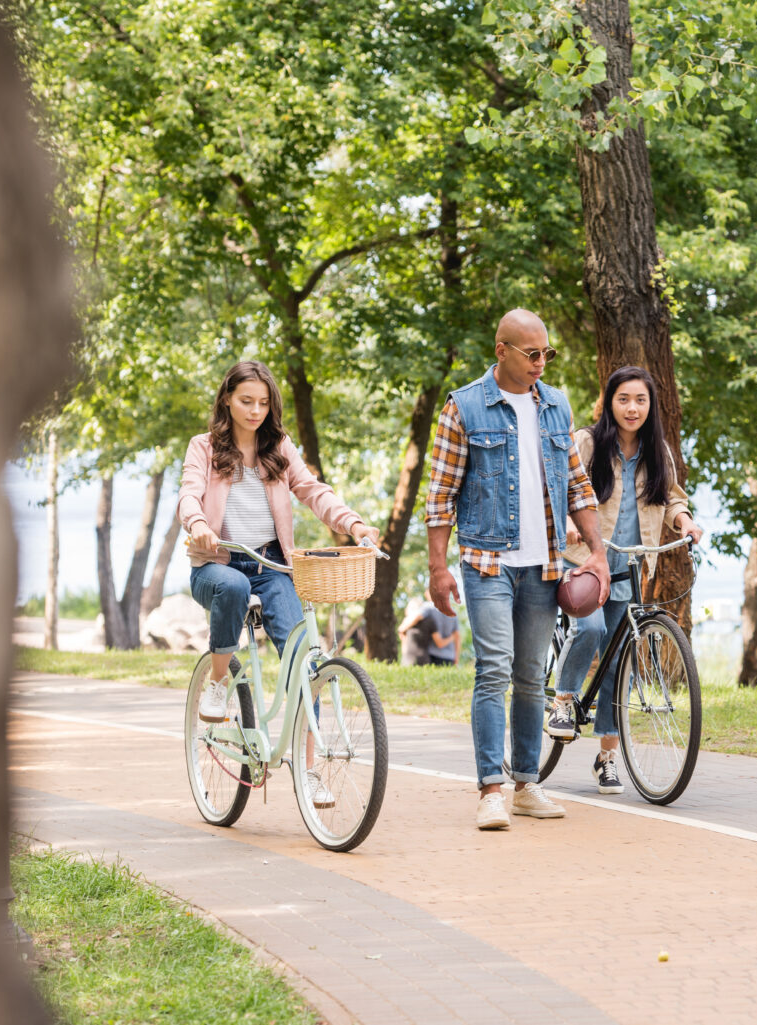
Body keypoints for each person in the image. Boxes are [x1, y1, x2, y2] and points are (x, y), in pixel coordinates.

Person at [425, 309, 611, 830]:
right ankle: (490, 789)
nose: (541, 363)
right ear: (501, 350)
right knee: (494, 670)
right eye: (532, 354)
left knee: (531, 678)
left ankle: (527, 784)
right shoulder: (462, 408)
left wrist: (596, 550)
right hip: (487, 562)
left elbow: (578, 487)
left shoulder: (555, 405)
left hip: (545, 563)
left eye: (547, 353)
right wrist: (438, 569)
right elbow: (439, 497)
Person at [178, 360, 381, 807]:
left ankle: (306, 772)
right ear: (227, 399)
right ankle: (216, 682)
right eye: (246, 401)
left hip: (272, 566)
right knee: (231, 588)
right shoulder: (204, 447)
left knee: (307, 662)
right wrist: (197, 523)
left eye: (263, 403)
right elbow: (189, 492)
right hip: (218, 562)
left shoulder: (279, 448)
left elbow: (313, 491)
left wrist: (355, 525)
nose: (255, 411)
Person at [547, 366, 704, 794]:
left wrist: (686, 523)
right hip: (584, 561)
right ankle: (563, 700)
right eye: (623, 399)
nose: (632, 408)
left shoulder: (659, 451)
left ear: (651, 406)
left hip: (630, 567)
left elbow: (673, 497)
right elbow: (558, 487)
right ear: (609, 403)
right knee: (591, 627)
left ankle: (607, 757)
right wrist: (566, 519)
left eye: (641, 400)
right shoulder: (588, 442)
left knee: (621, 663)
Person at [399, 587, 460, 666]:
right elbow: (457, 637)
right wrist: (456, 658)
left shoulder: (428, 606)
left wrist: (402, 628)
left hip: (433, 656)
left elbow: (416, 617)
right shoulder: (452, 612)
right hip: (450, 657)